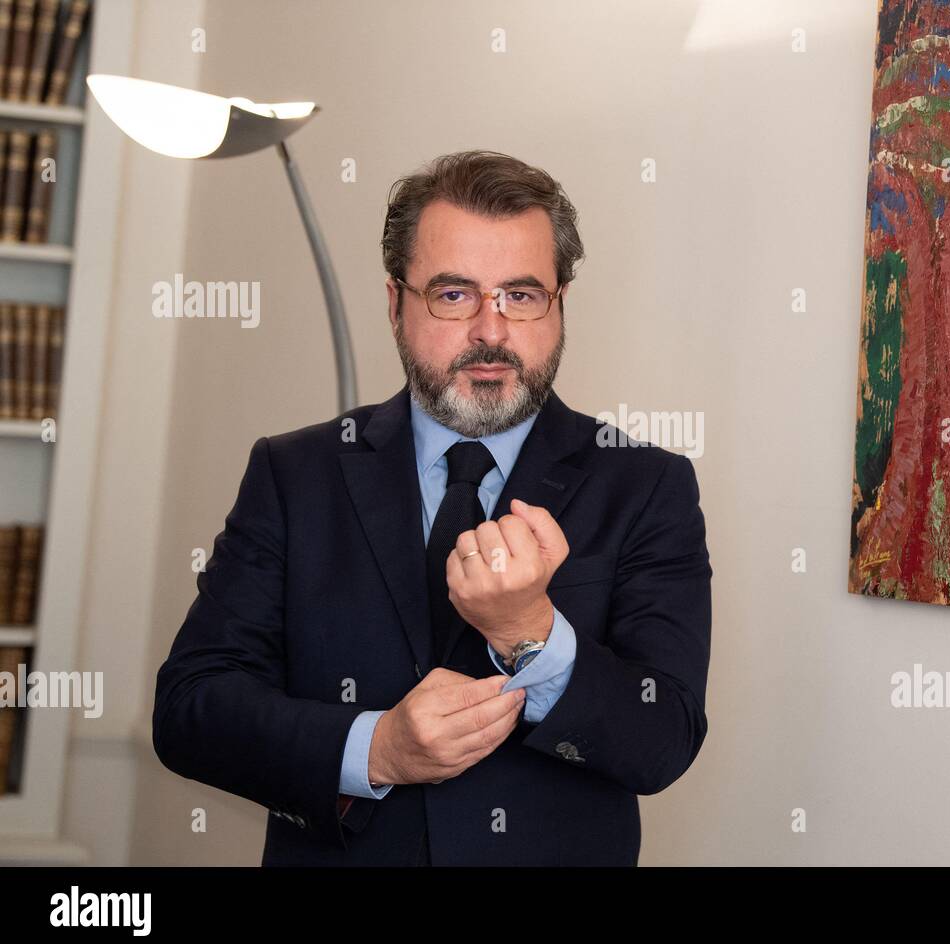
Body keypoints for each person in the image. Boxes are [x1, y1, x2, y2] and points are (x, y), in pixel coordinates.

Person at [152, 150, 712, 865]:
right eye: (454, 295)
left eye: (521, 294)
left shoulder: (647, 485)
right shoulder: (295, 474)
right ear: (395, 304)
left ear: (560, 303)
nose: (491, 330)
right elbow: (192, 710)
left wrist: (529, 632)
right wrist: (375, 749)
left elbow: (660, 742)